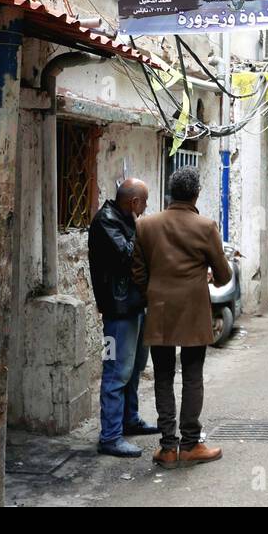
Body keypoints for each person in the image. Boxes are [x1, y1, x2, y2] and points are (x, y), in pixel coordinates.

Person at [131, 166, 232, 467]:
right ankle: (190, 445)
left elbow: (137, 273)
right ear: (196, 194)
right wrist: (209, 274)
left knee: (163, 376)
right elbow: (224, 275)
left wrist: (154, 293)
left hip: (160, 311)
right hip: (193, 312)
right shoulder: (206, 226)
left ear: (170, 193)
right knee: (192, 375)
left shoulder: (145, 225)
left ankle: (167, 448)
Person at [88, 178, 158, 458]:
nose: (146, 208)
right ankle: (110, 436)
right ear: (134, 202)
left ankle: (130, 419)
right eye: (144, 202)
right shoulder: (106, 221)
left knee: (134, 368)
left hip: (135, 305)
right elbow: (129, 256)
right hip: (117, 311)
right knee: (115, 371)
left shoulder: (125, 219)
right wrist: (142, 230)